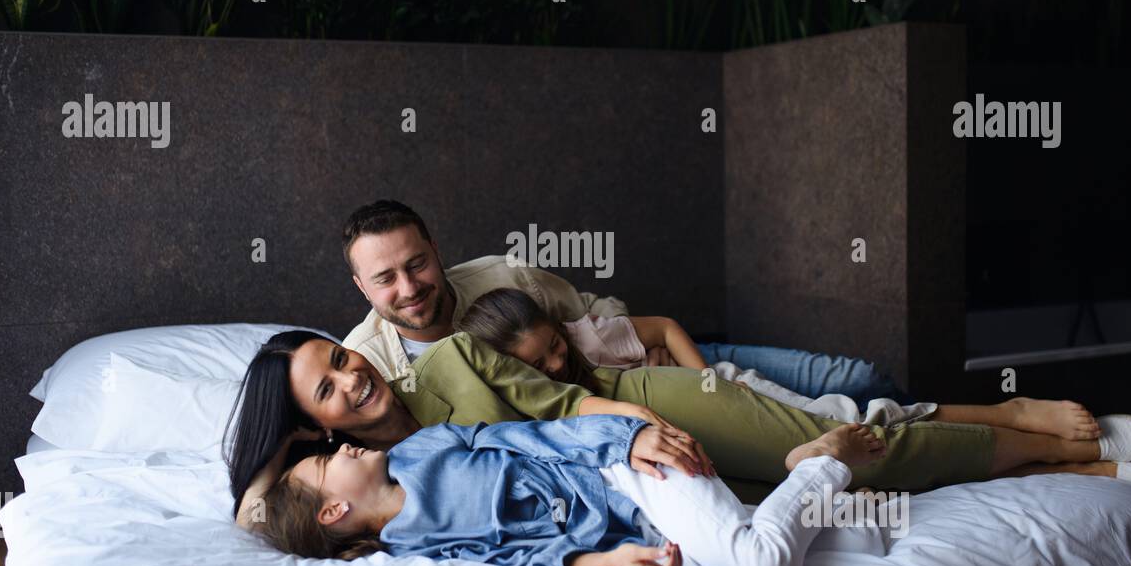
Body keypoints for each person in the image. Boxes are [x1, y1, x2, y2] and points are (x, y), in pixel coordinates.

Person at [225, 331, 1131, 535]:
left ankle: (1069, 452)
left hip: (646, 410)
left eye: (339, 359)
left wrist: (649, 430)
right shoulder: (367, 473)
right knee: (843, 497)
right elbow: (257, 510)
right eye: (327, 387)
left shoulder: (447, 366)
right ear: (310, 423)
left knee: (844, 444)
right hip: (637, 485)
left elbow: (571, 410)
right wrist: (267, 458)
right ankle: (1044, 457)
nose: (351, 378)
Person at [251, 415, 890, 566]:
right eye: (324, 461)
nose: (339, 445)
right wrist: (607, 561)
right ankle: (841, 508)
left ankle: (824, 456)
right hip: (629, 521)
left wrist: (626, 438)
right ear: (334, 510)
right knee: (861, 548)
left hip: (620, 468)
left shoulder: (425, 448)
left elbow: (538, 435)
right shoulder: (412, 547)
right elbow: (521, 556)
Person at [339, 199, 908, 408]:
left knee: (856, 377)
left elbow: (594, 306)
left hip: (656, 354)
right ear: (363, 289)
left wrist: (639, 356)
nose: (409, 288)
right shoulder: (365, 364)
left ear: (436, 252)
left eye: (416, 264)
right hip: (627, 406)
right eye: (385, 278)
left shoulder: (502, 275)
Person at [460, 287, 935, 426]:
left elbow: (664, 326)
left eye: (555, 348)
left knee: (834, 410)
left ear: (558, 328)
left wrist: (709, 382)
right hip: (698, 411)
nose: (557, 365)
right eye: (540, 366)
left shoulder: (590, 339)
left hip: (719, 379)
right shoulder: (537, 399)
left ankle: (927, 422)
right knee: (826, 424)